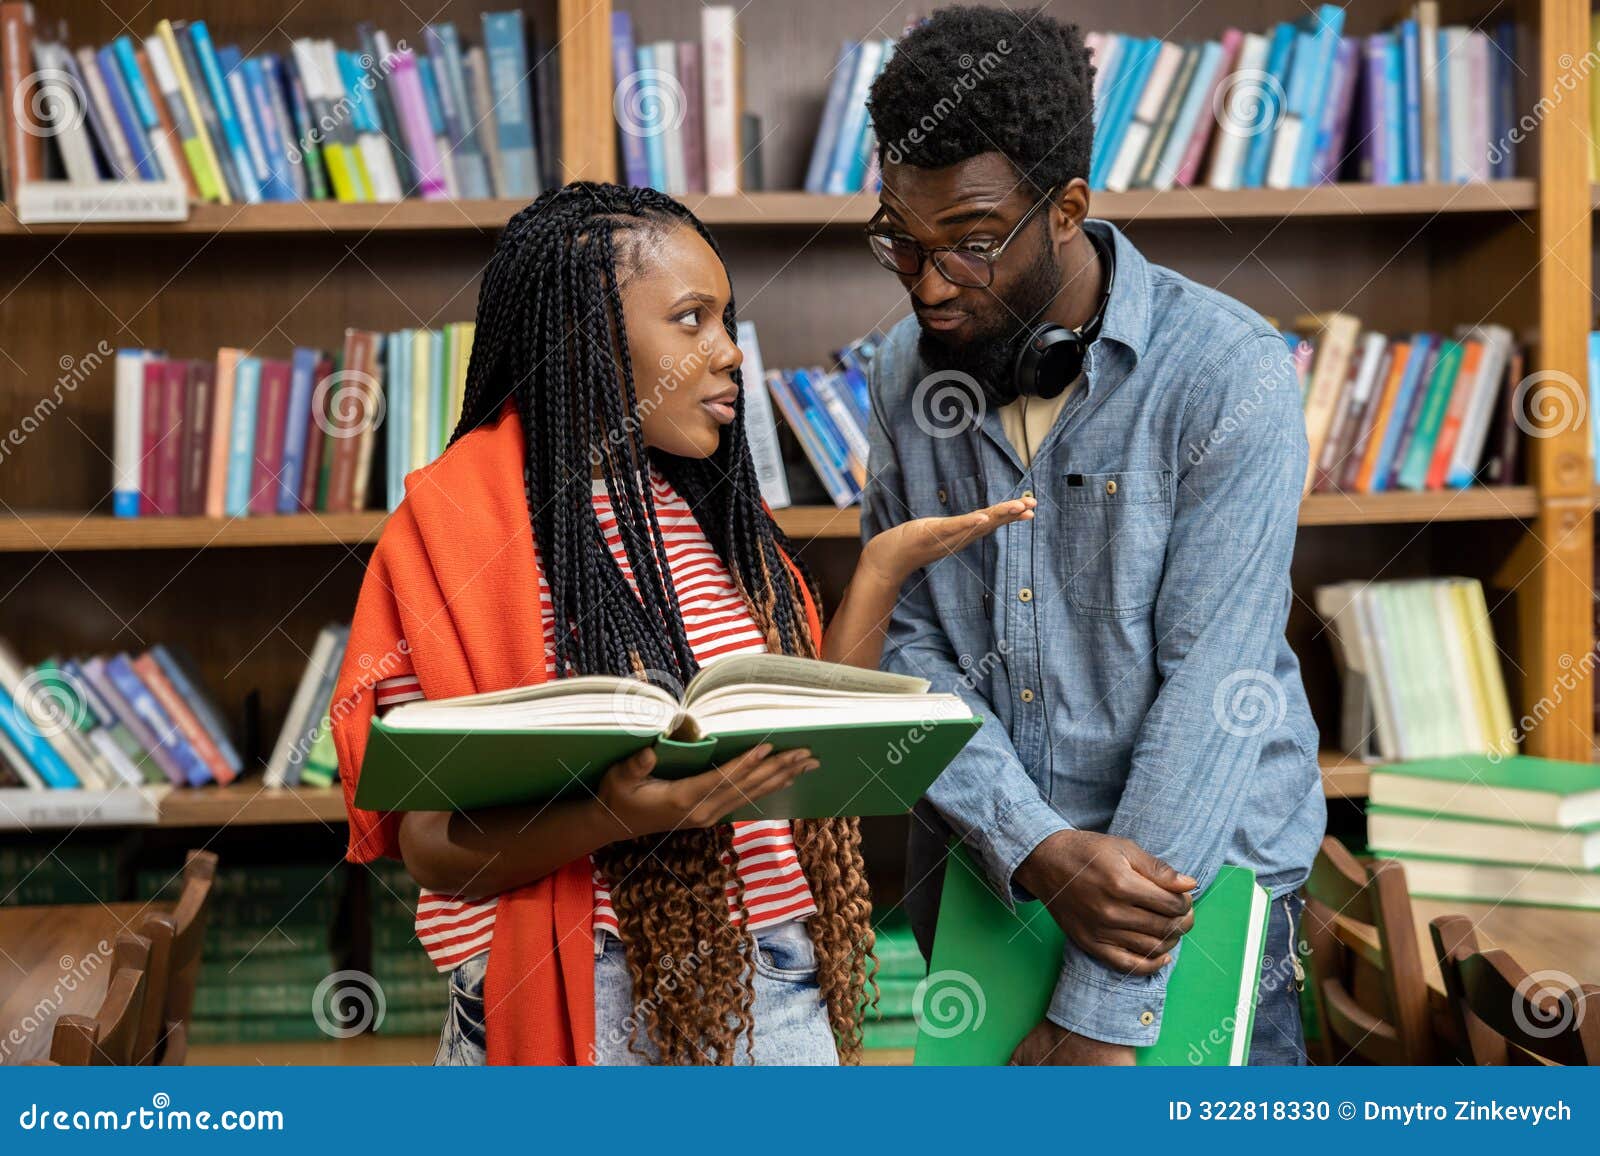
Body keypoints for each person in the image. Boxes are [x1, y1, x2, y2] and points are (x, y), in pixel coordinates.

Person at [329, 182, 1033, 1067]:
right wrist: (613, 816)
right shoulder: (456, 531)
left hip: (773, 988)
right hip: (585, 997)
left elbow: (820, 772)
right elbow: (434, 851)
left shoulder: (708, 515)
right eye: (692, 319)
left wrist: (884, 568)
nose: (731, 352)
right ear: (582, 333)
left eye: (727, 319)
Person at [859, 6, 1326, 1065]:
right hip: (987, 892)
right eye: (899, 238)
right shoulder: (898, 373)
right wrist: (1038, 847)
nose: (927, 287)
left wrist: (1097, 1014)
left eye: (971, 244)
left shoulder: (1227, 376)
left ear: (1065, 208)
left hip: (1199, 908)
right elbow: (909, 644)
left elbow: (1216, 687)